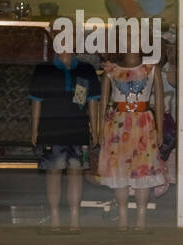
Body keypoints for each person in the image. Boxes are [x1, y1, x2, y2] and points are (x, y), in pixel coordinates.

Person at [29, 47, 102, 233]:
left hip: (79, 130)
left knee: (76, 173)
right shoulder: (43, 70)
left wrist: (95, 129)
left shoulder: (86, 70)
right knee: (53, 173)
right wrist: (34, 130)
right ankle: (54, 217)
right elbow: (36, 101)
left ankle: (75, 218)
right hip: (50, 130)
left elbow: (92, 102)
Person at [97, 48, 166, 231]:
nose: (131, 44)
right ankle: (122, 216)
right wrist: (99, 129)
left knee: (143, 171)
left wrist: (160, 130)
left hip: (143, 123)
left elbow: (159, 102)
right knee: (118, 171)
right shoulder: (110, 71)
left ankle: (141, 217)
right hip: (117, 124)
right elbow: (103, 102)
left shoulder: (151, 69)